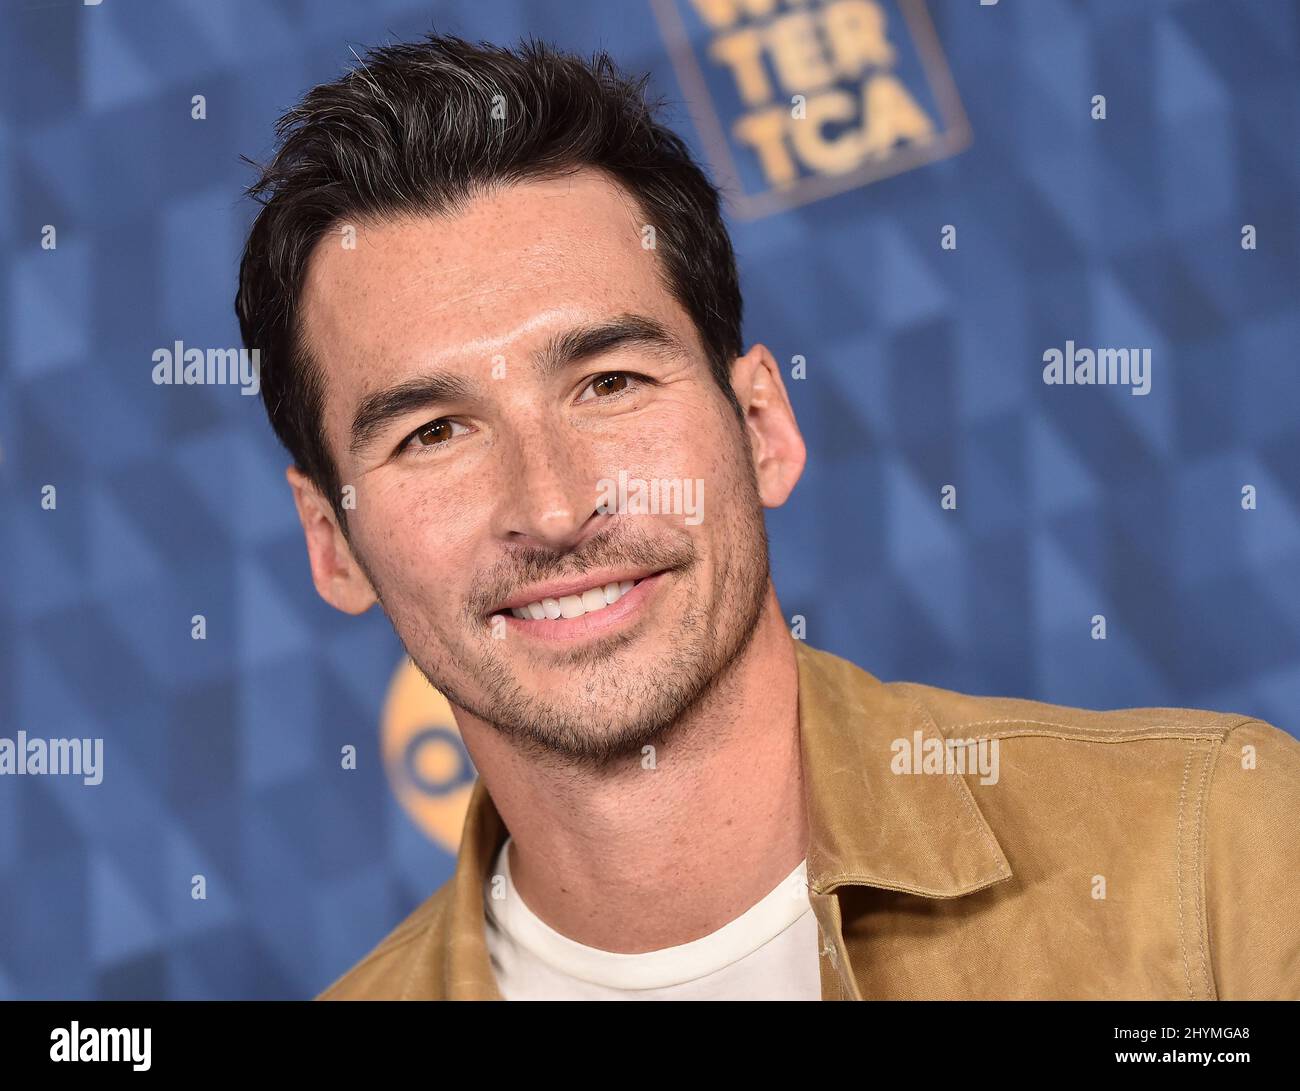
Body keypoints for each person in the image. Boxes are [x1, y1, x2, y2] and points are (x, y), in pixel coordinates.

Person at [235, 33, 1300, 1000]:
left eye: (609, 382)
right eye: (431, 433)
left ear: (760, 427)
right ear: (332, 543)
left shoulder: (1212, 857)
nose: (552, 507)